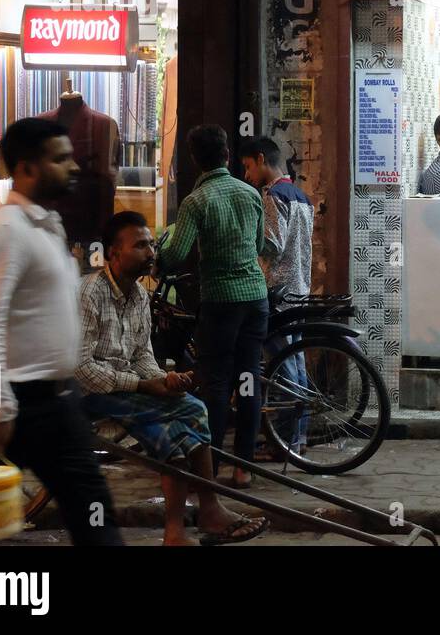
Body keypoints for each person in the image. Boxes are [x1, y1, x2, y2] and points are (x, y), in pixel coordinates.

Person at [0, 117, 124, 545]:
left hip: (56, 401)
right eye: (61, 159)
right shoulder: (5, 231)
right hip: (19, 403)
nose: (74, 167)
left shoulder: (45, 226)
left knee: (93, 512)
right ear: (27, 168)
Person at [76, 211, 269, 545]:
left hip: (125, 391)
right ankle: (209, 509)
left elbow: (141, 355)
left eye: (151, 244)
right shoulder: (90, 292)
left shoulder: (139, 296)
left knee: (175, 434)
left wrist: (165, 379)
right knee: (194, 409)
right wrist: (142, 384)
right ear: (113, 253)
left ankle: (176, 532)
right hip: (90, 393)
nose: (151, 253)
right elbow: (81, 368)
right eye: (140, 245)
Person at [158, 125, 268, 489]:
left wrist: (159, 254)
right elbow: (258, 245)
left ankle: (212, 468)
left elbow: (176, 253)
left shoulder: (196, 201)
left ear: (194, 159)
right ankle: (244, 468)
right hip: (255, 298)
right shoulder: (250, 193)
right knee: (248, 377)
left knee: (216, 384)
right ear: (227, 155)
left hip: (221, 301)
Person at [239, 136, 314, 455]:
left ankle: (284, 442)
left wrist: (246, 240)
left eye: (248, 167)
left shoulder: (272, 195)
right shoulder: (301, 196)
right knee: (295, 362)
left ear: (260, 159)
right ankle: (299, 437)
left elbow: (272, 245)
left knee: (282, 369)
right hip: (298, 289)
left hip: (276, 292)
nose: (247, 176)